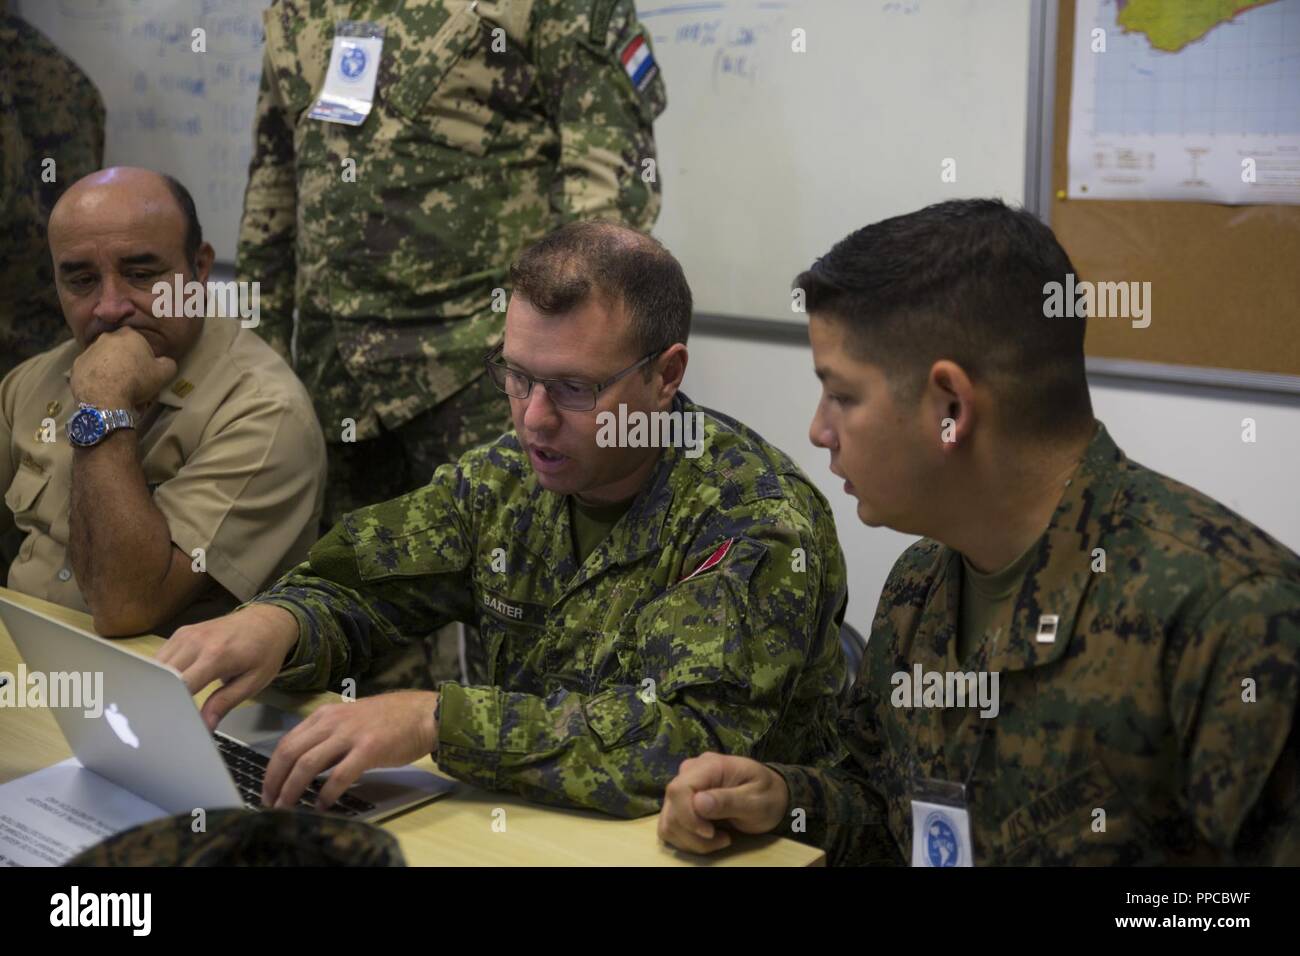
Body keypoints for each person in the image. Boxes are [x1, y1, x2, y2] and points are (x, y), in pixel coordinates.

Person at [657, 199, 1300, 865]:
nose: (819, 430)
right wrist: (783, 798)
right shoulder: (921, 586)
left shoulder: (1236, 620)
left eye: (842, 396)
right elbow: (887, 814)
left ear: (951, 409)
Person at [158, 222, 848, 818]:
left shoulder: (754, 520)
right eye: (517, 376)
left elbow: (683, 744)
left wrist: (437, 721)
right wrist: (281, 622)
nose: (534, 418)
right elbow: (363, 583)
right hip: (531, 829)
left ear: (666, 376)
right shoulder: (505, 477)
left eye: (574, 388)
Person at [239, 0, 667, 690]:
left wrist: (555, 361)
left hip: (489, 370)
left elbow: (607, 181)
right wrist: (256, 351)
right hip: (336, 368)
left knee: (532, 623)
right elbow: (274, 178)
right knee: (358, 621)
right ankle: (370, 795)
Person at [0, 168, 326, 636]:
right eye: (81, 280)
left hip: (183, 697)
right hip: (24, 664)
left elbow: (124, 607)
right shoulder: (37, 378)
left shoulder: (265, 411)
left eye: (141, 274)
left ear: (200, 269)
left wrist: (104, 403)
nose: (110, 307)